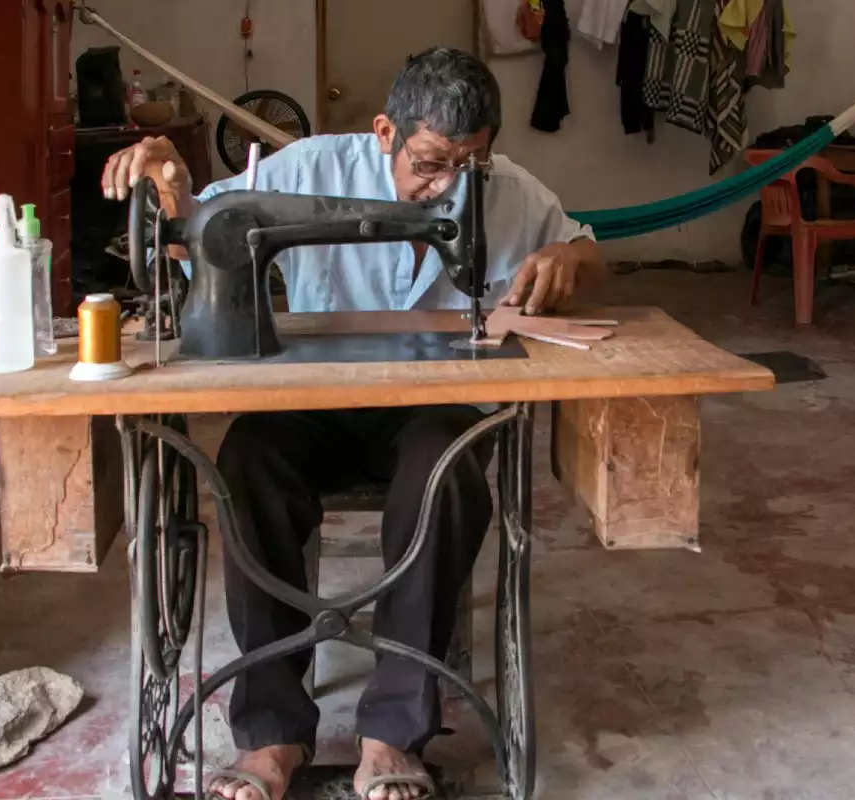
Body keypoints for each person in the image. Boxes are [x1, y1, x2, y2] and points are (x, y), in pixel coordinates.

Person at [101, 47, 604, 800]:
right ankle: (271, 738)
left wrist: (571, 257)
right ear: (383, 133)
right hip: (311, 404)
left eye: (471, 164)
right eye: (432, 164)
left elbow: (592, 252)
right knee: (246, 462)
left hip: (431, 406)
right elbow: (196, 233)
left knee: (447, 469)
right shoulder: (299, 172)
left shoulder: (505, 191)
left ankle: (391, 739)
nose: (449, 187)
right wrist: (172, 185)